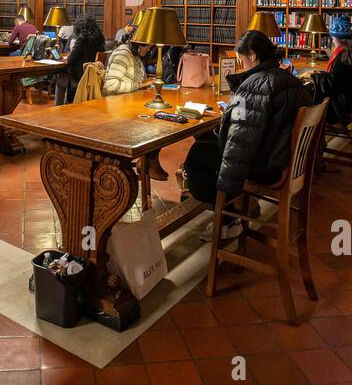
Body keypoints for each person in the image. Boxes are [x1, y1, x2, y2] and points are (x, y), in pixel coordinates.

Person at [180, 30, 310, 231]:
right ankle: (236, 204)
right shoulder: (287, 78)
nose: (242, 65)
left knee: (198, 155)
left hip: (266, 166)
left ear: (252, 55)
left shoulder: (255, 86)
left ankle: (228, 216)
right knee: (208, 143)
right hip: (283, 158)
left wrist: (231, 186)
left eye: (242, 60)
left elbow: (241, 141)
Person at [103, 38, 167, 180]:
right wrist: (139, 85)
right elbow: (110, 86)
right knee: (155, 126)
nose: (149, 50)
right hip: (117, 111)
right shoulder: (123, 55)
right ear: (139, 45)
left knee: (161, 121)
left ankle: (151, 160)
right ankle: (148, 162)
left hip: (129, 106)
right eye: (148, 47)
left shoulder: (135, 55)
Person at [309, 16, 352, 124]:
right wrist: (321, 75)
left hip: (340, 106)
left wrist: (315, 76)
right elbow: (339, 77)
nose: (332, 40)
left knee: (306, 96)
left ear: (337, 38)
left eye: (333, 37)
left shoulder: (343, 56)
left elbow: (331, 84)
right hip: (350, 98)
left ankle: (313, 132)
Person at [58, 16, 105, 105]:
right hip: (94, 77)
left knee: (60, 80)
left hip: (80, 78)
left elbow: (71, 60)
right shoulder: (100, 40)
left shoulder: (82, 41)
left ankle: (59, 107)